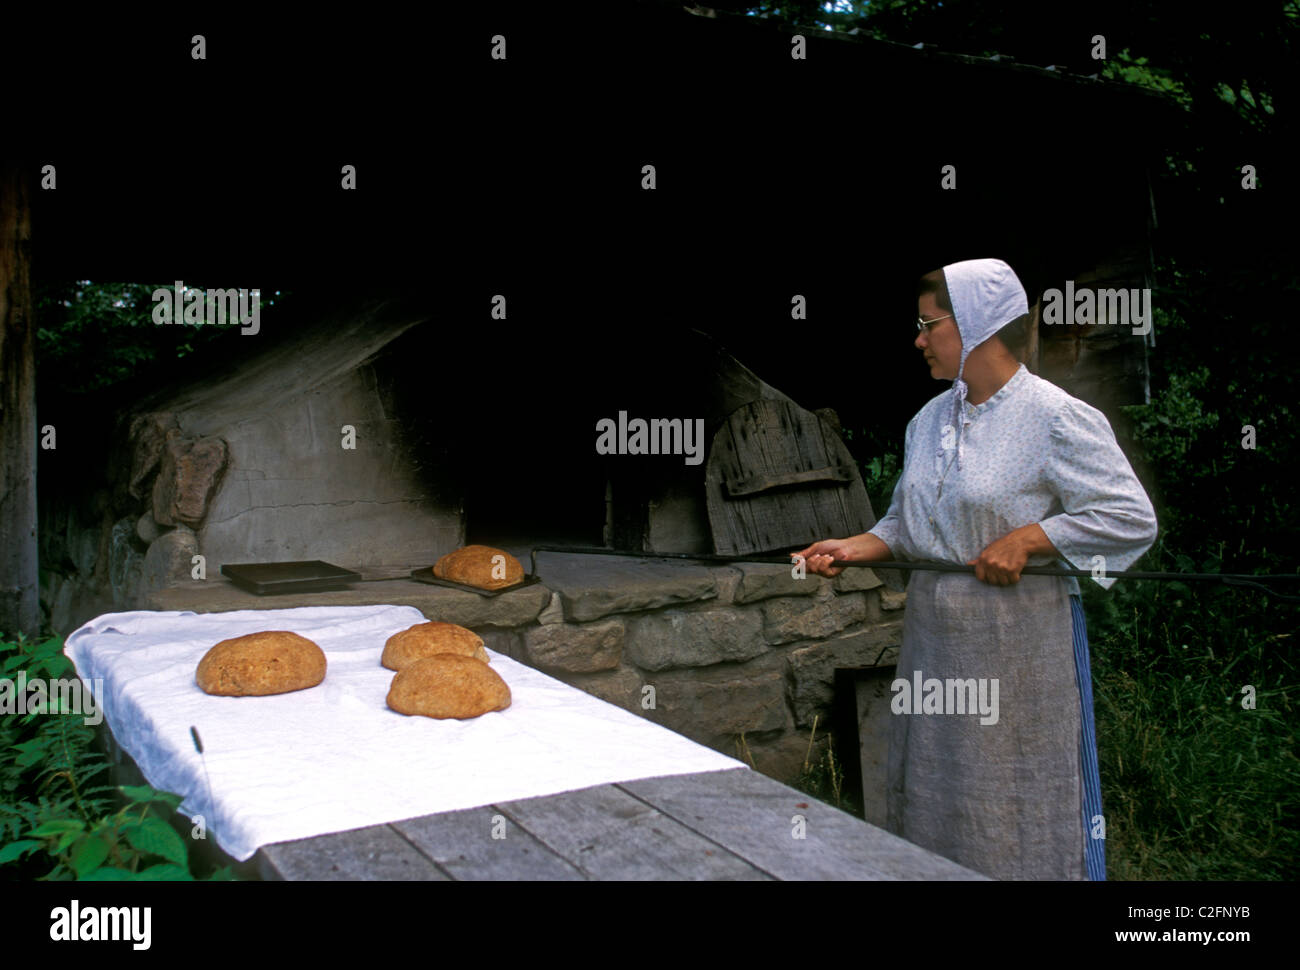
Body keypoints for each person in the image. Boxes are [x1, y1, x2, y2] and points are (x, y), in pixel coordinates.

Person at [796, 258, 1157, 880]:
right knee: (940, 789)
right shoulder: (929, 420)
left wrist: (1032, 538)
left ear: (978, 325)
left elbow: (1129, 516)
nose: (918, 338)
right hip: (935, 644)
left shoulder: (1054, 416)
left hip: (1017, 647)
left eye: (927, 323)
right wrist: (859, 545)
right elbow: (909, 526)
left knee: (1014, 792)